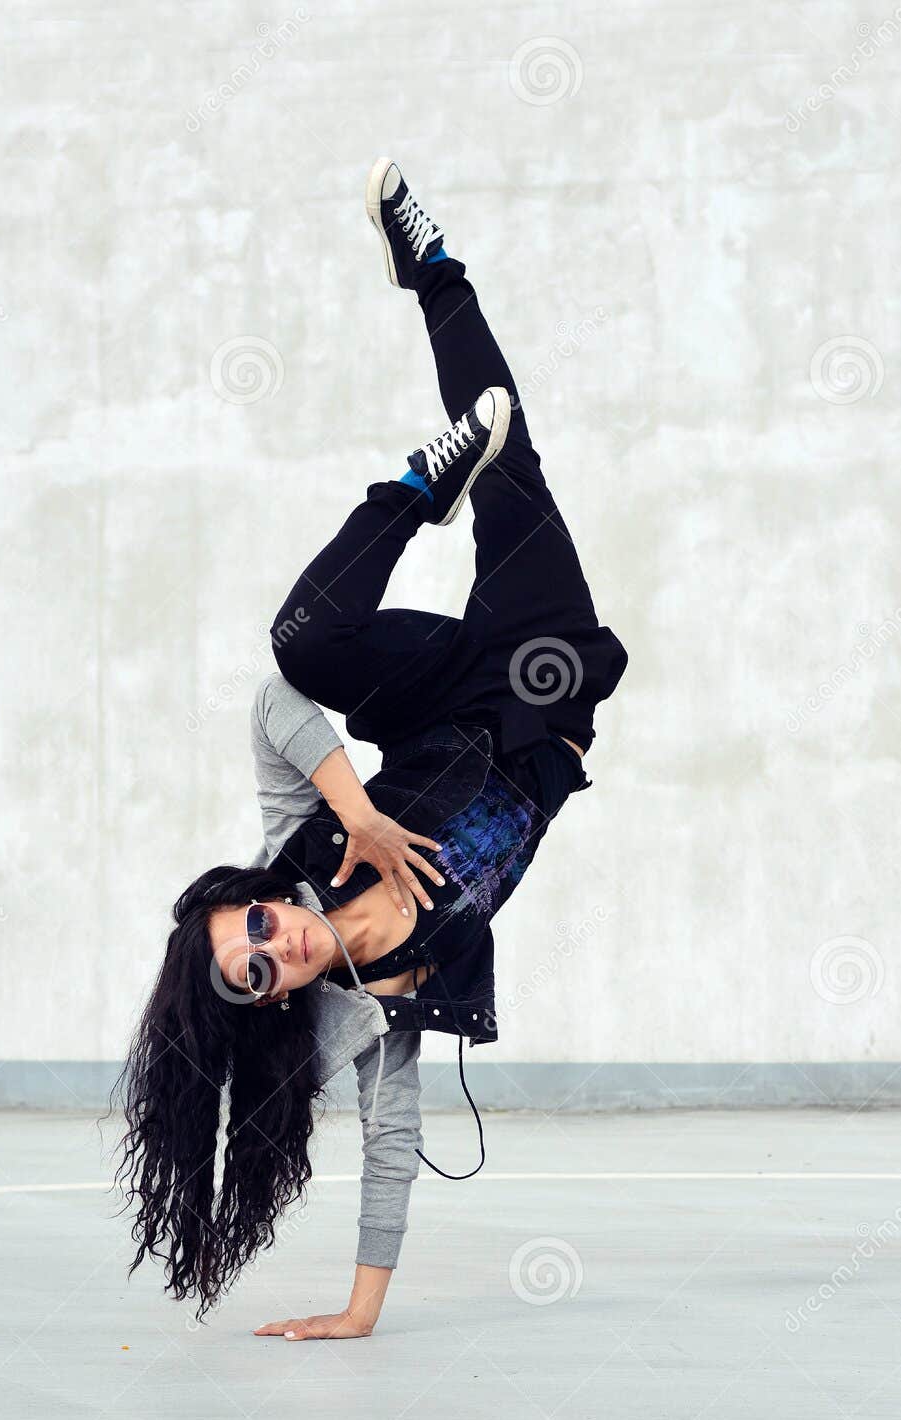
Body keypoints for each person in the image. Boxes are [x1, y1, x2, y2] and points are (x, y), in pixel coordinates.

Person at [115, 159, 627, 1338]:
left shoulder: (293, 849)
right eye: (258, 966)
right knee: (514, 451)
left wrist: (357, 813)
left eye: (249, 926)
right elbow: (391, 1148)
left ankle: (411, 490)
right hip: (541, 699)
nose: (269, 940)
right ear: (267, 998)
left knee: (299, 640)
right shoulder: (365, 1011)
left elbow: (275, 709)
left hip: (440, 697)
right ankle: (434, 271)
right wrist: (357, 1312)